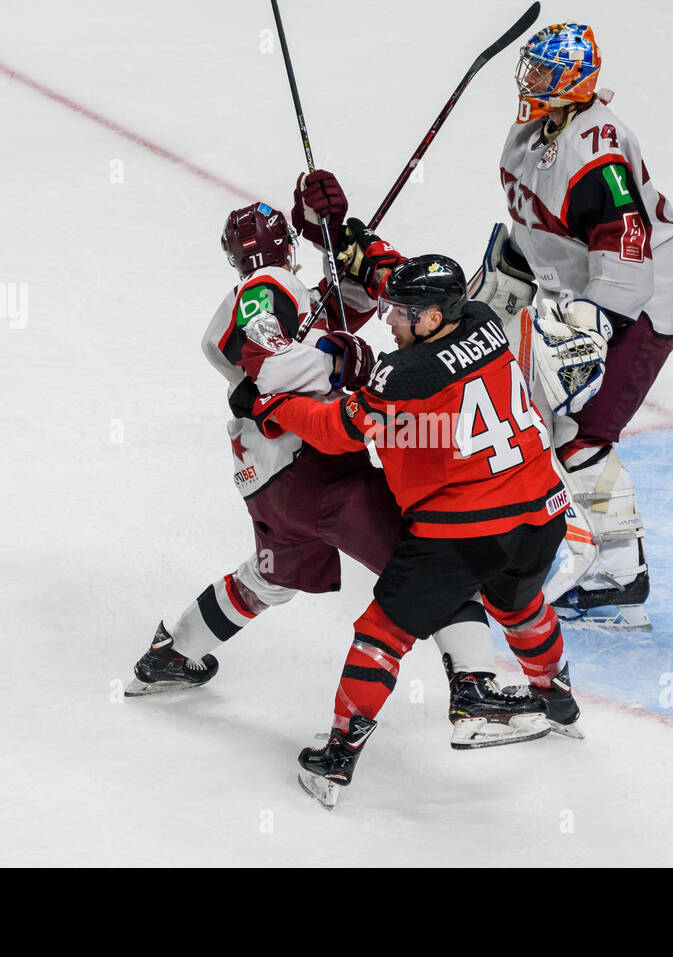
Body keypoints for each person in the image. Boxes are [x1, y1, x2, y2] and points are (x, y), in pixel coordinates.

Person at [124, 178, 547, 750]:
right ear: (285, 251)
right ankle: (474, 692)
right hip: (320, 474)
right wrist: (346, 358)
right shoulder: (267, 288)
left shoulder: (285, 296)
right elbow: (274, 368)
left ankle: (173, 653)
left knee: (271, 578)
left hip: (269, 485)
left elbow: (354, 303)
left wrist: (334, 234)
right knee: (442, 574)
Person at [242, 254, 584, 808]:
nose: (388, 320)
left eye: (400, 313)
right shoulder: (481, 320)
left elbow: (337, 431)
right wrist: (363, 250)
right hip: (542, 514)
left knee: (383, 632)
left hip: (464, 530)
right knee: (519, 607)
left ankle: (335, 758)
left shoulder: (403, 376)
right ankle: (558, 700)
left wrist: (275, 406)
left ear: (430, 318)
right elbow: (417, 283)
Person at [468, 22, 673, 627]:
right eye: (530, 69)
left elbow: (628, 251)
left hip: (640, 301)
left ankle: (621, 574)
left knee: (582, 431)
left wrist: (589, 332)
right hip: (576, 292)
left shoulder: (598, 154)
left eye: (542, 72)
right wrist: (502, 287)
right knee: (541, 419)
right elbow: (532, 223)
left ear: (571, 81)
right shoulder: (537, 128)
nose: (529, 81)